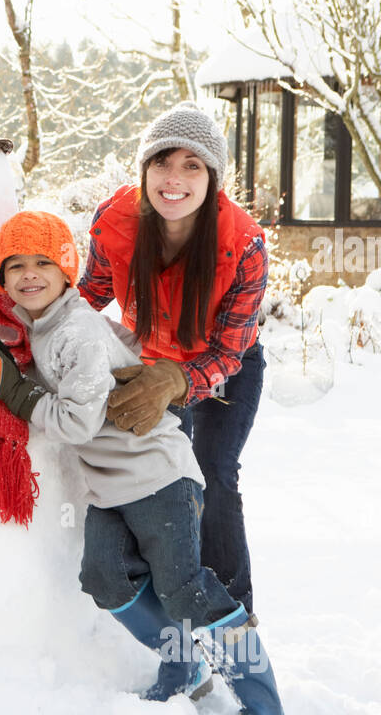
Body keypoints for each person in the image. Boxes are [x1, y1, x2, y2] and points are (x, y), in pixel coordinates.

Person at [0, 210, 285, 715]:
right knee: (105, 577)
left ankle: (264, 709)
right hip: (108, 485)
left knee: (186, 589)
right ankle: (185, 661)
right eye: (16, 266)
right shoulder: (46, 327)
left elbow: (76, 422)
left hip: (157, 476)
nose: (30, 275)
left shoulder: (77, 331)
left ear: (67, 272)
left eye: (44, 263)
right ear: (2, 277)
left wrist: (9, 388)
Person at [80, 102, 268, 619]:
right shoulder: (114, 222)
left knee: (214, 472)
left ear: (213, 177)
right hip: (152, 364)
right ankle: (169, 609)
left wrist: (177, 382)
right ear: (144, 170)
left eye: (192, 165)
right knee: (165, 479)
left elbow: (230, 350)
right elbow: (88, 298)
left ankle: (234, 613)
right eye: (163, 162)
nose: (174, 178)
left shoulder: (244, 244)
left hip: (226, 369)